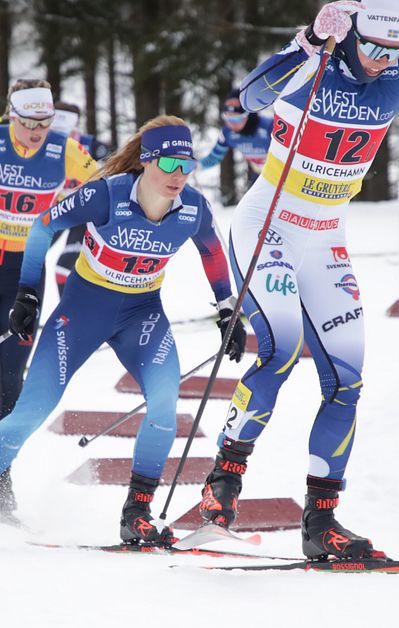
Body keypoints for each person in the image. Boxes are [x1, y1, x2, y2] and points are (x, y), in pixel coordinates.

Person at [198, 0, 399, 561]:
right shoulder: (318, 60)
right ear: (353, 32)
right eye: (371, 47)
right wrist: (311, 42)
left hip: (325, 239)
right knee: (281, 350)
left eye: (391, 50)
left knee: (346, 380)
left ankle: (322, 521)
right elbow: (253, 97)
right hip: (269, 224)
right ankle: (223, 485)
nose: (380, 61)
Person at [0, 116, 246, 542]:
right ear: (147, 162)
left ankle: (138, 510)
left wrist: (228, 309)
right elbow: (42, 228)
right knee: (31, 411)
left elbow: (212, 252)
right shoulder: (106, 195)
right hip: (82, 312)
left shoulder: (192, 209)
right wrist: (27, 293)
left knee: (165, 407)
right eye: (168, 164)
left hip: (142, 315)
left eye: (186, 164)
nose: (178, 175)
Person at [0, 81, 96, 421]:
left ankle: (1, 467)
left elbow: (105, 186)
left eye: (45, 122)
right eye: (29, 123)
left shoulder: (64, 149)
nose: (38, 131)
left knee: (9, 374)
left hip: (26, 272)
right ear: (13, 115)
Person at [48, 101, 111, 297]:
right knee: (26, 260)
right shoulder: (43, 144)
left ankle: (69, 318)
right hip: (56, 210)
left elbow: (116, 168)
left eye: (63, 128)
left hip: (83, 214)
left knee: (65, 266)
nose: (59, 133)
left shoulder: (89, 145)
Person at [196, 90, 273, 186]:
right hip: (260, 175)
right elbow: (214, 157)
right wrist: (196, 166)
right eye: (228, 118)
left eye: (237, 118)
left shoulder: (268, 127)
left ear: (248, 115)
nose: (232, 124)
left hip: (282, 173)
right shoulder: (227, 133)